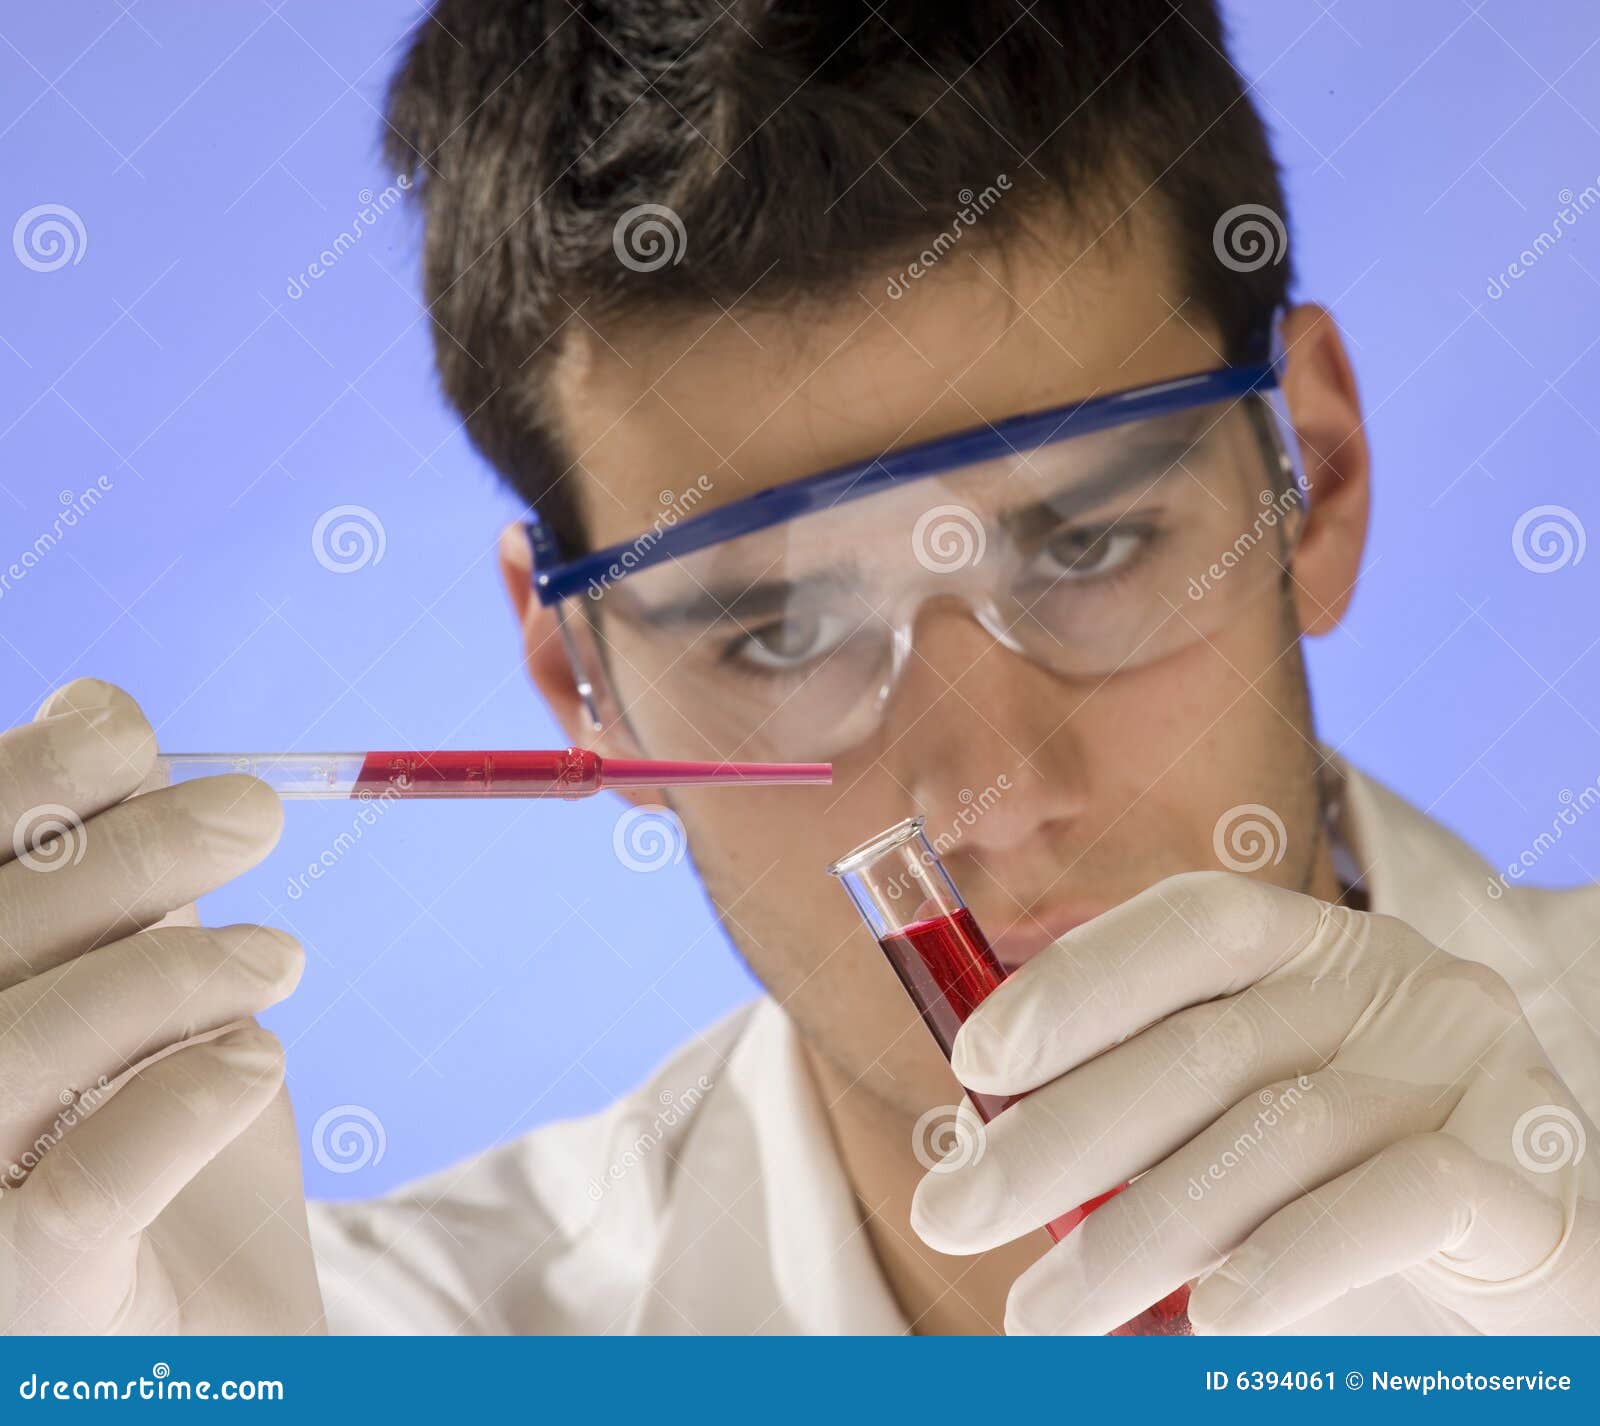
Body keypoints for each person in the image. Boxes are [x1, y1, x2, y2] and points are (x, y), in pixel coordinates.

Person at [2, 0, 1596, 1337]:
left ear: (1309, 470)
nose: (988, 790)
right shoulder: (351, 1335)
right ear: (584, 694)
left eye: (1091, 548)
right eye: (776, 632)